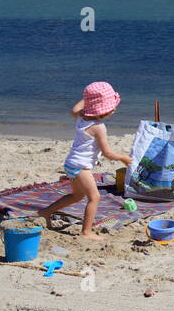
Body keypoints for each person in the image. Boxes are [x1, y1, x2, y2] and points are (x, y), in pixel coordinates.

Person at [36, 81, 132, 240]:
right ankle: (86, 232)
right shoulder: (99, 128)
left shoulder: (81, 117)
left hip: (71, 164)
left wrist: (87, 99)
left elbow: (74, 110)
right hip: (80, 167)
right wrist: (123, 158)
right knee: (94, 198)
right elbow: (107, 153)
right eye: (111, 107)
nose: (114, 109)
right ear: (102, 110)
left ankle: (45, 212)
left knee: (77, 196)